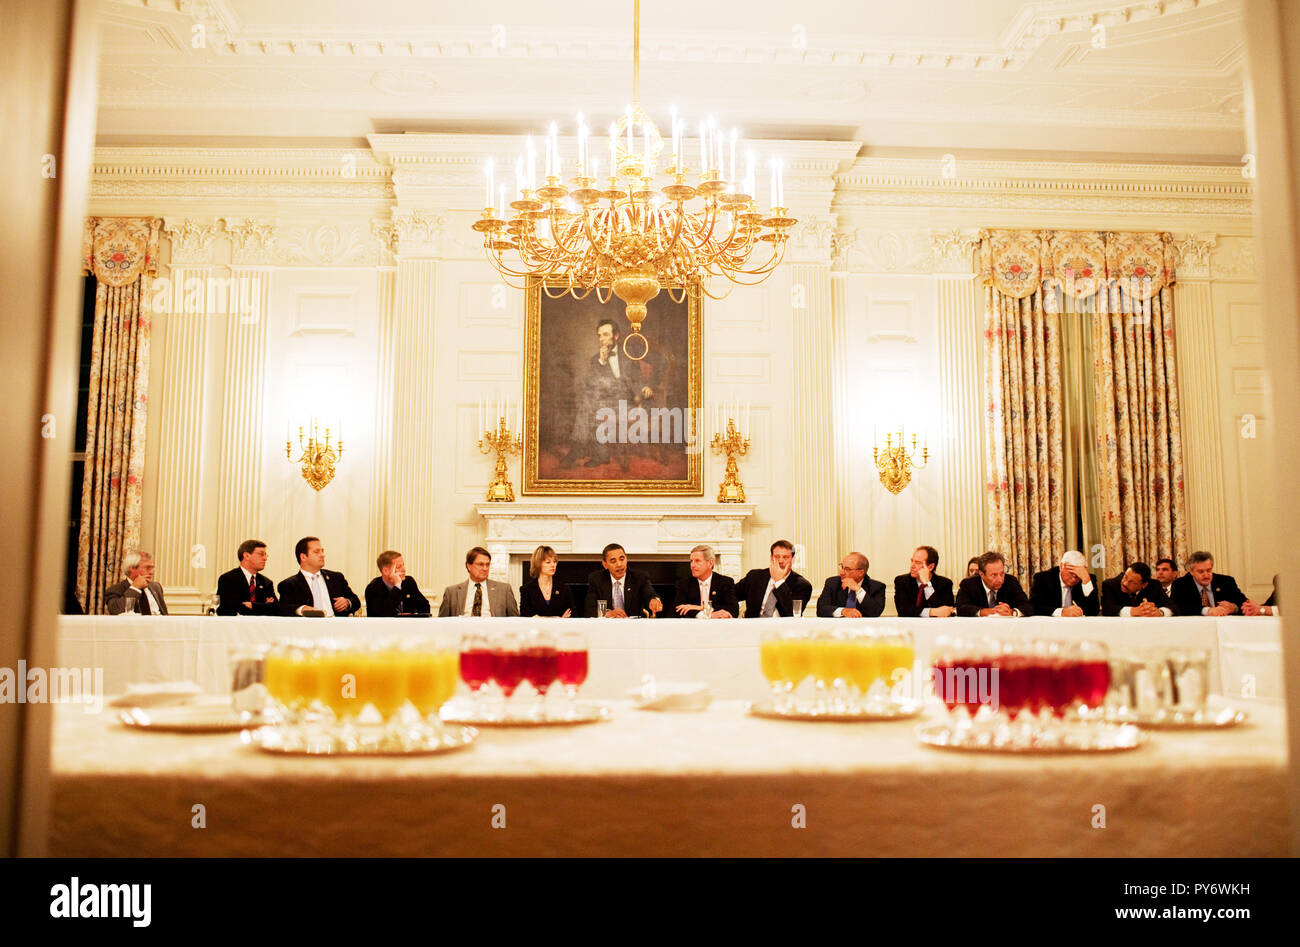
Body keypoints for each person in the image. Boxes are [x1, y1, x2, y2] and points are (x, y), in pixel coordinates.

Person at [564, 318, 649, 468]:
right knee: (591, 402)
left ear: (616, 336)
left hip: (627, 401)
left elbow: (638, 378)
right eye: (599, 335)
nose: (601, 339)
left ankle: (580, 451)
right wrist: (602, 362)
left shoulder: (628, 354)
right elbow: (592, 384)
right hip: (605, 399)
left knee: (589, 403)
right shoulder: (595, 360)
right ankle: (597, 454)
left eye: (605, 334)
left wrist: (643, 391)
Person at [277, 536, 361, 617]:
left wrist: (347, 602)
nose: (322, 555)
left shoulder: (336, 578)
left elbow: (356, 601)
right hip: (307, 628)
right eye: (316, 552)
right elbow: (283, 608)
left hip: (336, 626)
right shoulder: (289, 585)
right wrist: (301, 609)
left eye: (322, 551)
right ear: (303, 557)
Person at [736, 540, 813, 618]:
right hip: (752, 626)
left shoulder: (802, 585)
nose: (780, 561)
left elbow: (792, 613)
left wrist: (779, 582)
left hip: (783, 628)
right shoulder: (754, 577)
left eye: (785, 557)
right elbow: (731, 595)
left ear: (792, 560)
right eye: (777, 557)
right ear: (771, 558)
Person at [1170, 550, 1261, 616]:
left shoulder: (1226, 581)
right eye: (1201, 571)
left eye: (1209, 570)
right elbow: (1177, 608)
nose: (1206, 575)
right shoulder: (1180, 585)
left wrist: (1234, 607)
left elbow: (1244, 603)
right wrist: (1207, 611)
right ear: (1191, 571)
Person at [584, 543, 662, 618]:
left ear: (626, 559)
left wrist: (654, 600)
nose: (619, 564)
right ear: (605, 564)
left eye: (622, 559)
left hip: (634, 627)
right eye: (613, 561)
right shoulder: (596, 579)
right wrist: (608, 614)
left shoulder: (639, 577)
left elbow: (650, 595)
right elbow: (590, 609)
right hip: (607, 627)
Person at [440, 546, 519, 617]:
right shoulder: (451, 592)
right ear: (469, 566)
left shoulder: (504, 590)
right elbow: (442, 623)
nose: (485, 568)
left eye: (487, 564)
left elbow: (515, 620)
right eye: (480, 564)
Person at [955, 551, 1033, 617]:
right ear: (981, 574)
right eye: (994, 575)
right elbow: (960, 608)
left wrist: (1012, 612)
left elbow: (1028, 606)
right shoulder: (969, 584)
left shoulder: (1011, 581)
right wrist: (985, 612)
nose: (1000, 579)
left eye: (1002, 573)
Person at [673, 544, 738, 619]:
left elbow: (734, 610)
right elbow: (678, 611)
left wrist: (699, 608)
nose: (692, 565)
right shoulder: (684, 584)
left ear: (710, 563)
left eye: (697, 561)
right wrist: (707, 615)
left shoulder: (725, 582)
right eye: (691, 561)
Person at [216, 540, 278, 616]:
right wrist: (264, 606)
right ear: (246, 556)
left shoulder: (266, 582)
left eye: (266, 555)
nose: (265, 558)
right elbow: (230, 608)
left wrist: (253, 605)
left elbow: (275, 608)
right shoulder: (228, 579)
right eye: (261, 554)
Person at [1030, 550, 1100, 617]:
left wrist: (1086, 581)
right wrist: (1062, 612)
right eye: (1071, 573)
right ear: (1061, 567)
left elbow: (1094, 610)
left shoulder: (1087, 578)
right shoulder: (1043, 579)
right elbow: (1034, 607)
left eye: (1077, 576)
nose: (1074, 579)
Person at [816, 552, 886, 618]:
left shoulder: (877, 587)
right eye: (842, 567)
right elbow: (821, 609)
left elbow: (875, 612)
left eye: (847, 569)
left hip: (864, 628)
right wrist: (843, 611)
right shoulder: (832, 583)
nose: (841, 572)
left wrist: (858, 589)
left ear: (861, 573)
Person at [893, 545, 955, 617]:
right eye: (912, 561)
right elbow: (903, 610)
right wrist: (932, 612)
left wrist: (927, 584)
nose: (912, 566)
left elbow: (946, 611)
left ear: (930, 567)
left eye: (917, 562)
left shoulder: (945, 584)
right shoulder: (902, 581)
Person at [365, 550, 430, 617]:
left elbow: (425, 607)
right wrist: (397, 586)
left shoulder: (409, 582)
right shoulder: (373, 588)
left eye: (403, 565)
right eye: (399, 567)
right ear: (385, 571)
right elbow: (384, 614)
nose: (404, 569)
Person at [104, 551, 169, 615]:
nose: (151, 572)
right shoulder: (114, 590)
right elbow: (116, 611)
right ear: (132, 568)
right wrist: (134, 588)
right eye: (147, 568)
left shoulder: (156, 587)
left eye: (152, 568)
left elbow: (165, 614)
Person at [1101, 562, 1174, 617]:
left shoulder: (1154, 585)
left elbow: (1173, 607)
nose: (1125, 583)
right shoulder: (1110, 585)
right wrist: (1133, 611)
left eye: (1132, 582)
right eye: (1125, 577)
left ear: (1143, 585)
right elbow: (1107, 609)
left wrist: (1160, 612)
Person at [520, 545, 574, 618]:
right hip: (535, 629)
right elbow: (525, 618)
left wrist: (538, 617)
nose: (553, 565)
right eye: (548, 562)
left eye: (554, 562)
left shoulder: (564, 589)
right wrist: (559, 619)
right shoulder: (527, 590)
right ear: (538, 564)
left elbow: (572, 616)